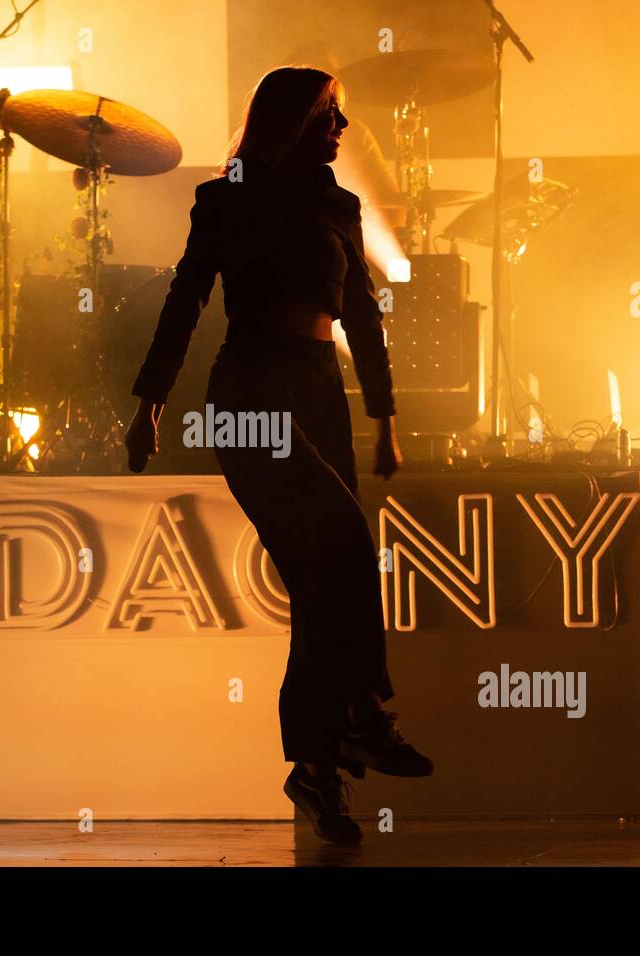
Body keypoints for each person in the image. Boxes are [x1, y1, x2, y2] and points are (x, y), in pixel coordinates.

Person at [124, 66, 432, 845]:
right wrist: (150, 403)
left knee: (321, 587)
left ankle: (318, 772)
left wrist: (387, 416)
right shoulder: (226, 198)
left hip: (320, 392)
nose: (345, 127)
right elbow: (186, 298)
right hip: (249, 395)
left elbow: (362, 316)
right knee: (346, 550)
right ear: (293, 120)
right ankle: (364, 713)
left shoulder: (339, 205)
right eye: (332, 113)